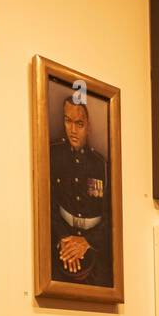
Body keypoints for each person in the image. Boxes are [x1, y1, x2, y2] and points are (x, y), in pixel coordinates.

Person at [49, 96, 111, 286]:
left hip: (94, 249)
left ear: (89, 126)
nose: (73, 130)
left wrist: (86, 241)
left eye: (79, 123)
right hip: (62, 246)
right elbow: (46, 205)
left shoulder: (101, 165)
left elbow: (111, 217)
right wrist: (65, 239)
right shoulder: (53, 155)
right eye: (68, 121)